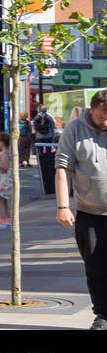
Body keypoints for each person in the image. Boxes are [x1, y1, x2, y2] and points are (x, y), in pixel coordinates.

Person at [55, 89, 107, 330]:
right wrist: (63, 206)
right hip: (90, 212)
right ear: (92, 109)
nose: (105, 122)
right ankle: (103, 315)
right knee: (95, 266)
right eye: (101, 116)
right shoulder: (74, 129)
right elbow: (63, 169)